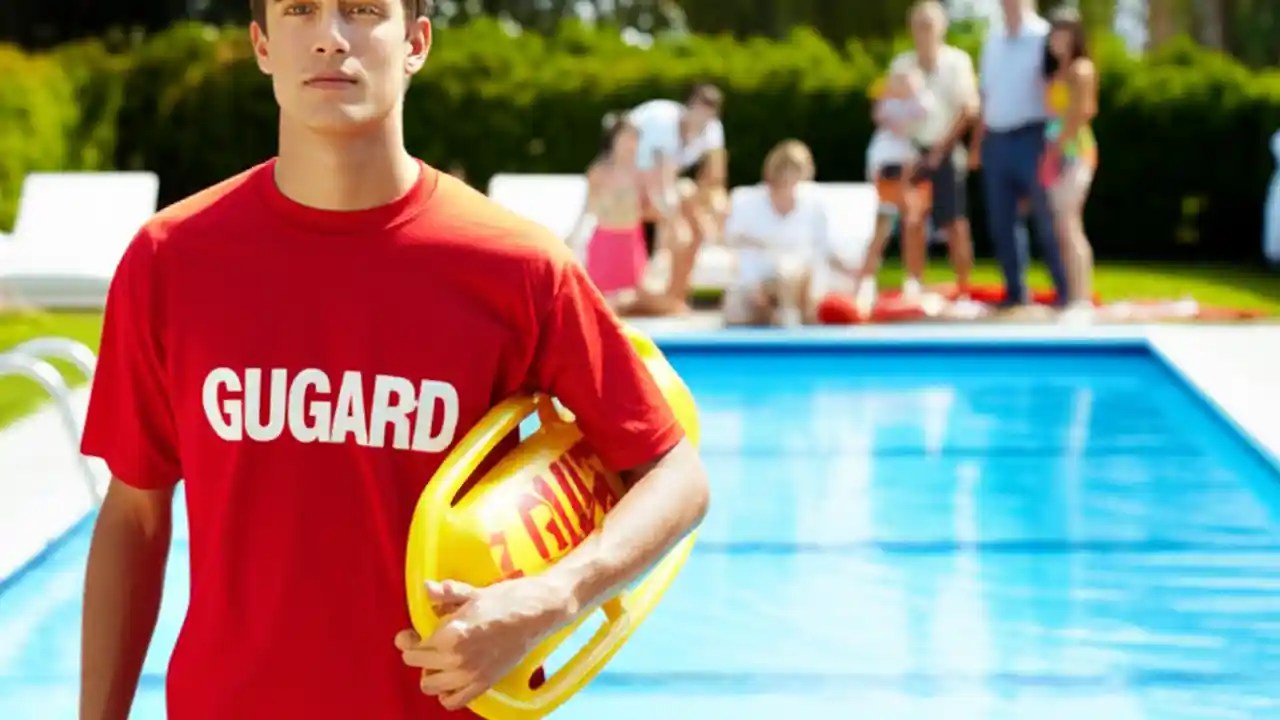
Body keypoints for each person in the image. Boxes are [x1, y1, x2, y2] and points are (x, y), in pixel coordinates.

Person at [76, 2, 711, 720]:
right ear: (262, 44)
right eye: (300, 10)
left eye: (362, 11)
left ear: (415, 41)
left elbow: (674, 473)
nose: (329, 35)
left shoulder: (516, 269)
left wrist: (554, 595)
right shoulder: (172, 263)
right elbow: (134, 514)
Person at [971, 0, 1070, 308]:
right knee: (1002, 220)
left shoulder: (1044, 36)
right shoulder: (993, 40)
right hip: (996, 140)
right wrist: (977, 144)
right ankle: (1016, 294)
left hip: (1034, 136)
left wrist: (1056, 144)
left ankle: (1065, 292)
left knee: (1047, 217)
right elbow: (985, 96)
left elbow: (1060, 88)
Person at [889, 0, 979, 299]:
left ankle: (963, 288)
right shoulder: (901, 64)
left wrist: (940, 150)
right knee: (912, 219)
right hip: (912, 150)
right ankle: (914, 284)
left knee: (954, 220)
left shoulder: (958, 62)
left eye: (929, 25)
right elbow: (887, 107)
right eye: (918, 25)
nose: (923, 31)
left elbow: (969, 109)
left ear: (942, 28)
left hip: (948, 148)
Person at [566, 111, 685, 316]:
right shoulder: (599, 172)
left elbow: (655, 207)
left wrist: (673, 221)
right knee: (603, 303)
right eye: (627, 137)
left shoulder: (641, 174)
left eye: (635, 138)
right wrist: (571, 239)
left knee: (636, 299)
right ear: (614, 139)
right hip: (605, 243)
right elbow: (586, 211)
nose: (632, 143)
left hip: (631, 243)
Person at [721, 140, 838, 326]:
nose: (787, 179)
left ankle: (790, 321)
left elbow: (820, 251)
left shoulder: (814, 203)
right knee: (739, 312)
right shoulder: (746, 201)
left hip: (797, 279)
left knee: (787, 275)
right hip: (756, 280)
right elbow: (733, 245)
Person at [629, 84, 728, 301]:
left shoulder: (712, 129)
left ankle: (676, 294)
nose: (702, 121)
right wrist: (675, 221)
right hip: (629, 179)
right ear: (688, 107)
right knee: (681, 221)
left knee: (694, 225)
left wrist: (714, 214)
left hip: (661, 184)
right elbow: (658, 181)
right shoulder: (661, 122)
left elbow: (715, 178)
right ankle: (657, 287)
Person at [855, 65, 934, 307]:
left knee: (915, 224)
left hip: (912, 166)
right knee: (884, 223)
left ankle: (914, 281)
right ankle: (866, 282)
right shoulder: (888, 104)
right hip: (889, 166)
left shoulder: (921, 101)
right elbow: (884, 117)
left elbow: (924, 112)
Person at [1042, 7, 1099, 314]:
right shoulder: (1054, 73)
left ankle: (1082, 300)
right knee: (1062, 226)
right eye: (1054, 32)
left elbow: (1082, 113)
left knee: (1069, 222)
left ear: (1076, 36)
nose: (1057, 38)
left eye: (1064, 32)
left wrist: (1057, 150)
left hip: (1075, 152)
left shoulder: (1081, 69)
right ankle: (1072, 296)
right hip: (1056, 154)